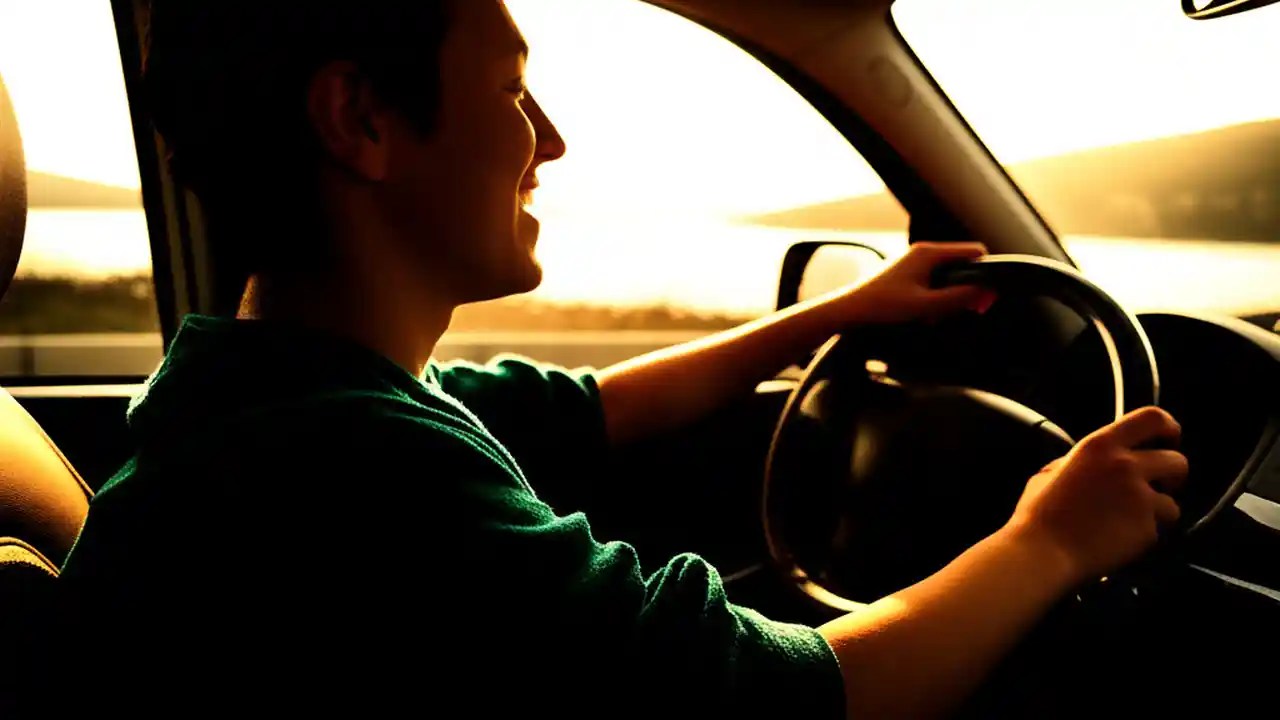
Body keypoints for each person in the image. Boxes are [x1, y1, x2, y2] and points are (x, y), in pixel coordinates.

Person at [56, 1, 1189, 717]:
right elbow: (796, 702)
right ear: (359, 119)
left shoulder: (267, 397)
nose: (548, 140)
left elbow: (589, 409)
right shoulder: (354, 475)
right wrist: (1051, 538)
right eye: (511, 89)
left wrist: (831, 316)